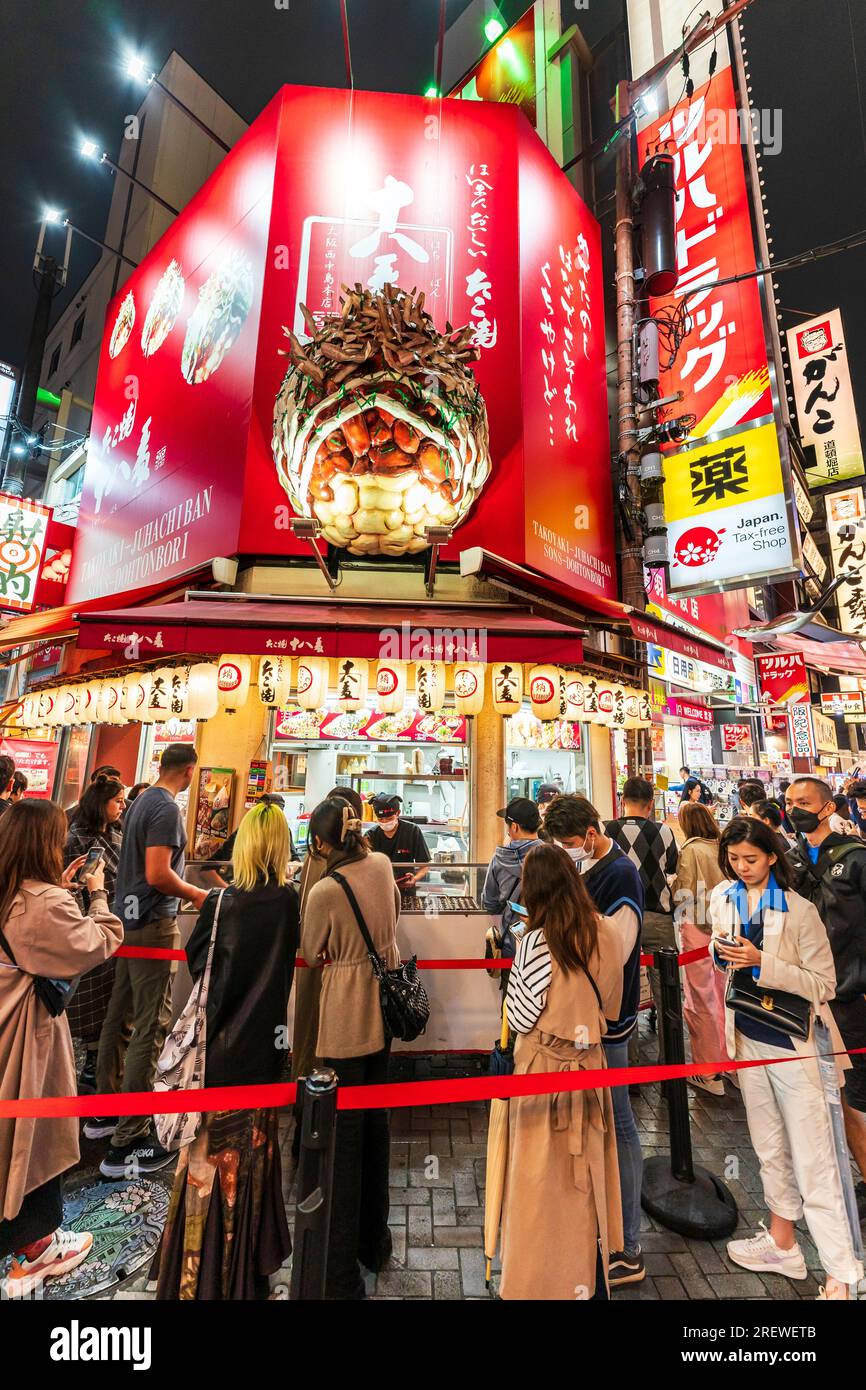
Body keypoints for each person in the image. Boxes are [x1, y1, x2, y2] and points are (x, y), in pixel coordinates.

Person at [710, 816, 863, 1299]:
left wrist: (763, 963)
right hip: (748, 1040)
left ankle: (843, 1272)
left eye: (750, 859)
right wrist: (722, 953)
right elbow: (723, 962)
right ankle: (783, 1243)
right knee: (769, 1148)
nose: (741, 868)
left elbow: (823, 984)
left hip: (795, 1045)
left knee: (814, 1156)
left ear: (773, 856)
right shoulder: (721, 897)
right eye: (733, 860)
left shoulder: (799, 911)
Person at [156, 801, 299, 1299]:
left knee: (208, 1166)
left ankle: (202, 1273)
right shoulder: (289, 901)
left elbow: (201, 968)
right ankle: (251, 1270)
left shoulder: (221, 904)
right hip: (266, 1056)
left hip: (217, 1055)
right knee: (255, 1162)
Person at [0, 801, 123, 1296]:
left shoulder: (12, 893)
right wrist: (95, 894)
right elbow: (99, 940)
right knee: (33, 1140)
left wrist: (62, 890)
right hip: (25, 1044)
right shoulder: (43, 903)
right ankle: (35, 1252)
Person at [500, 844, 625, 1300]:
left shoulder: (535, 941)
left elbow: (520, 1016)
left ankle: (534, 1282)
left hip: (543, 1069)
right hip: (590, 1065)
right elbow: (610, 1003)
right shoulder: (607, 931)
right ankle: (584, 1278)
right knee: (585, 1179)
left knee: (537, 1183)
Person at [90, 743, 208, 1178]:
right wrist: (200, 894)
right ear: (190, 770)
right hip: (152, 926)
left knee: (119, 1017)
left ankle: (105, 1114)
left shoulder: (141, 800)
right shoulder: (166, 810)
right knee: (149, 1026)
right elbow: (159, 874)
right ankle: (130, 1138)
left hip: (127, 922)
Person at [542, 793, 645, 1286]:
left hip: (610, 1020)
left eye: (569, 843)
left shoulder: (621, 874)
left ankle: (628, 1243)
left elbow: (616, 952)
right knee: (604, 1120)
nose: (568, 851)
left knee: (620, 1120)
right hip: (588, 1018)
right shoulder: (591, 867)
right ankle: (603, 1227)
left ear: (590, 831)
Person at [302, 798, 401, 1299]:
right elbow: (394, 920)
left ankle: (338, 1274)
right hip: (383, 1015)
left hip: (345, 1019)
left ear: (321, 842)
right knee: (376, 1127)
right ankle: (374, 1241)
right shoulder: (382, 865)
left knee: (341, 1141)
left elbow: (309, 953)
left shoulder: (323, 890)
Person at [785, 776, 866, 1218]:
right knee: (830, 1093)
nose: (795, 808)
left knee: (857, 1094)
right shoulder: (790, 860)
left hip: (854, 995)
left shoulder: (855, 860)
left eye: (804, 802)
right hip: (810, 995)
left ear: (827, 805)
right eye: (790, 801)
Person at [291, 786, 365, 1103]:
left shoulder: (317, 855)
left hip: (318, 955)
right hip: (329, 960)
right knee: (320, 1033)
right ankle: (319, 1099)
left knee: (310, 1030)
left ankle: (309, 1097)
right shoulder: (352, 860)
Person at [606, 777, 679, 1063]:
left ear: (622, 800)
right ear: (650, 804)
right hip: (657, 917)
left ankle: (629, 1062)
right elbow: (672, 868)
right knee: (666, 990)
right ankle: (669, 1062)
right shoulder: (665, 832)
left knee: (625, 989)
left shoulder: (606, 830)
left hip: (619, 919)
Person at [63, 774, 126, 1093]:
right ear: (101, 804)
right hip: (87, 921)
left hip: (113, 918)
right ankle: (85, 1057)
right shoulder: (76, 837)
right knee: (87, 994)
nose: (123, 806)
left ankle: (94, 1058)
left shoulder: (118, 833)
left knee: (108, 996)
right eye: (117, 800)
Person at [672, 802, 729, 1097]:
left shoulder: (691, 850)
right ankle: (728, 1061)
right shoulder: (722, 846)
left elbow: (683, 889)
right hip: (724, 929)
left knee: (699, 999)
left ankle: (707, 1071)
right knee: (723, 996)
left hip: (696, 927)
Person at [481, 797, 542, 956]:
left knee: (511, 981)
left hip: (512, 945)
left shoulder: (499, 859)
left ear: (514, 827)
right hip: (545, 944)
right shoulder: (553, 856)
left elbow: (490, 902)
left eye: (508, 826)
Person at [365, 792, 430, 893]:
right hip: (379, 892)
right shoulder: (371, 835)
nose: (385, 822)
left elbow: (425, 865)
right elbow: (364, 867)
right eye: (381, 819)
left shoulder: (412, 831)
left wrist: (415, 878)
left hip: (406, 890)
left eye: (389, 818)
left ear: (398, 813)